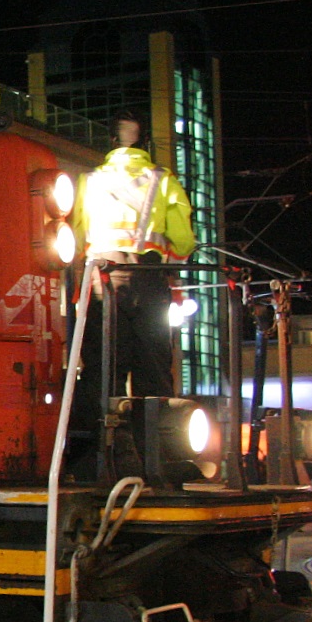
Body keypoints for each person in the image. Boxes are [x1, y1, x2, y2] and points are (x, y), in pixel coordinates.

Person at [68, 110, 196, 473]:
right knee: (152, 370)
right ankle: (155, 460)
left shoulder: (90, 181)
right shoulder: (162, 179)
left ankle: (97, 459)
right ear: (146, 143)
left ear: (111, 141)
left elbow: (76, 235)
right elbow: (183, 240)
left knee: (101, 368)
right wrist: (172, 258)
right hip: (147, 277)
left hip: (102, 280)